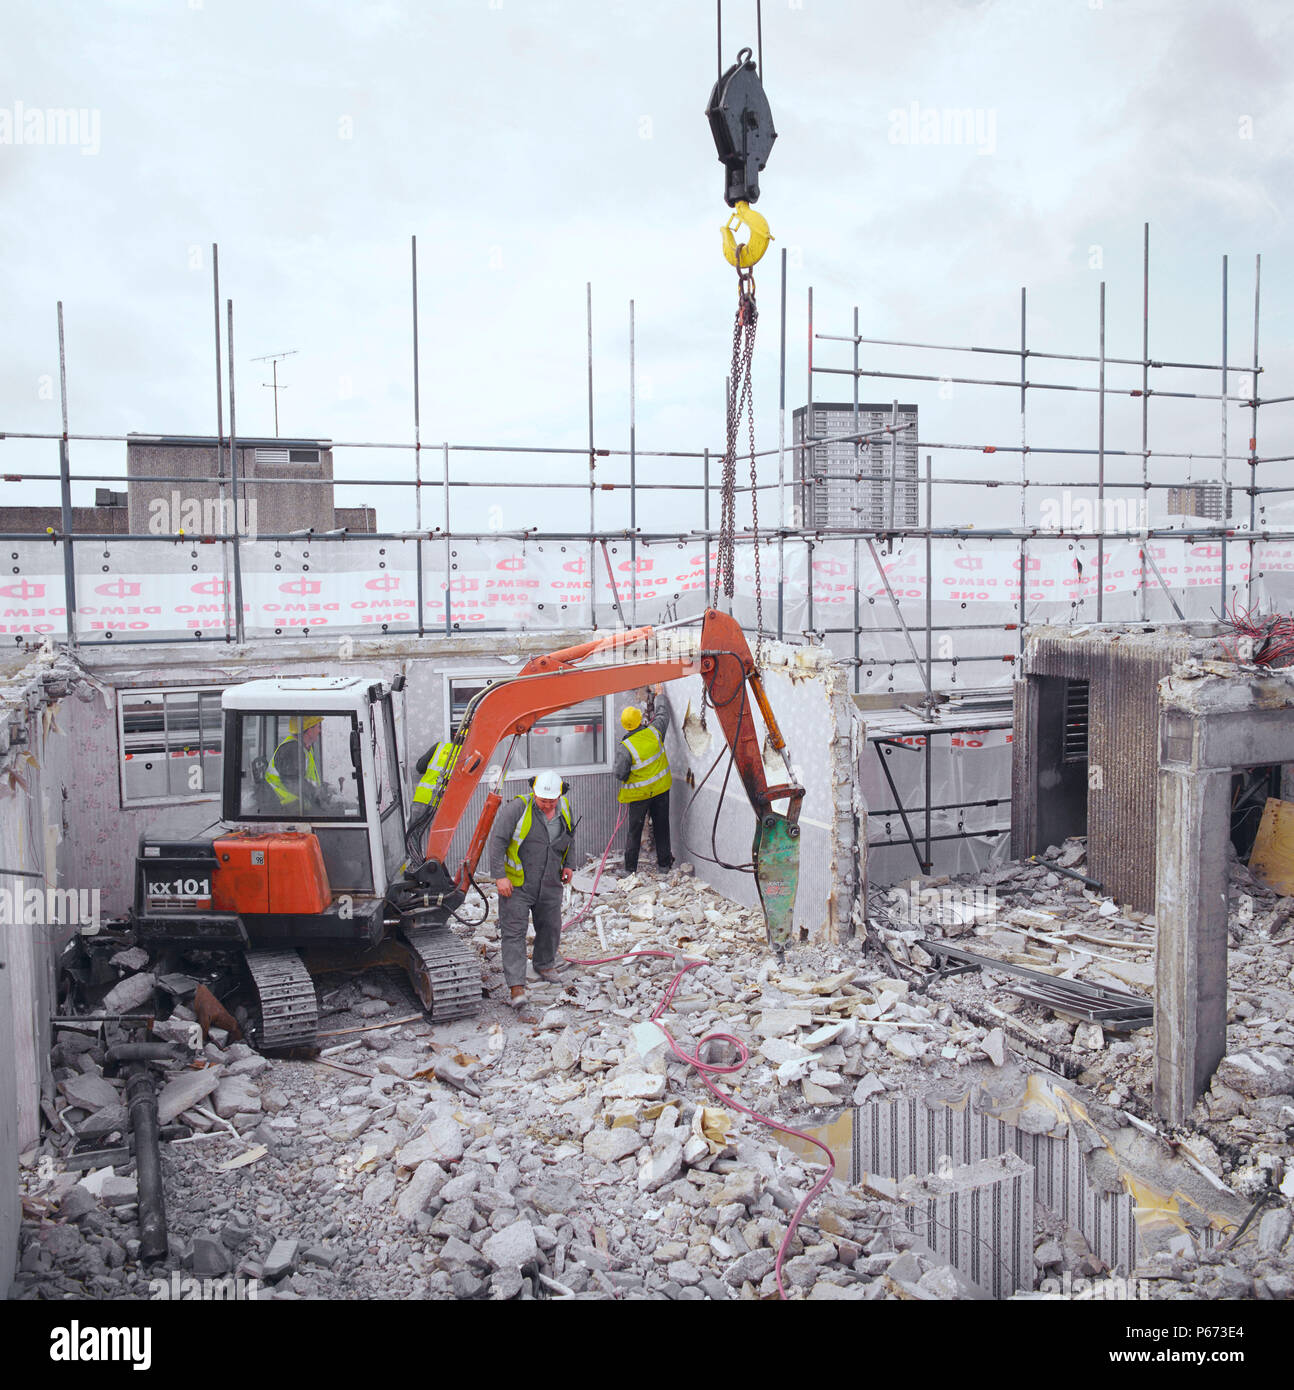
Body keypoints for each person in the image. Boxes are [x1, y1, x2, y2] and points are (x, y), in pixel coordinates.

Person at [488, 769, 575, 1011]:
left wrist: (569, 864)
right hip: (517, 884)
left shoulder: (564, 807)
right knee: (514, 932)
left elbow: (570, 837)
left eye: (551, 801)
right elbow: (498, 841)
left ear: (560, 795)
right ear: (534, 793)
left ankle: (545, 964)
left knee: (551, 925)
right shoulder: (517, 808)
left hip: (550, 881)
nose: (547, 805)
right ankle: (516, 986)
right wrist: (500, 876)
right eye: (543, 800)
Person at [616, 685, 673, 875]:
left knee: (635, 830)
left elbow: (620, 773)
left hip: (639, 795)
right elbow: (663, 715)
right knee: (662, 826)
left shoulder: (626, 747)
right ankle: (664, 865)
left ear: (625, 725)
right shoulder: (655, 732)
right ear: (641, 720)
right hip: (660, 790)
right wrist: (660, 695)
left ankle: (629, 870)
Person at [265, 715, 327, 811]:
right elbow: (293, 784)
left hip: (296, 805)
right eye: (318, 727)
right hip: (285, 808)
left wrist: (325, 789)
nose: (320, 731)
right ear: (309, 730)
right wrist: (318, 795)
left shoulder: (304, 748)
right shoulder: (292, 749)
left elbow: (306, 779)